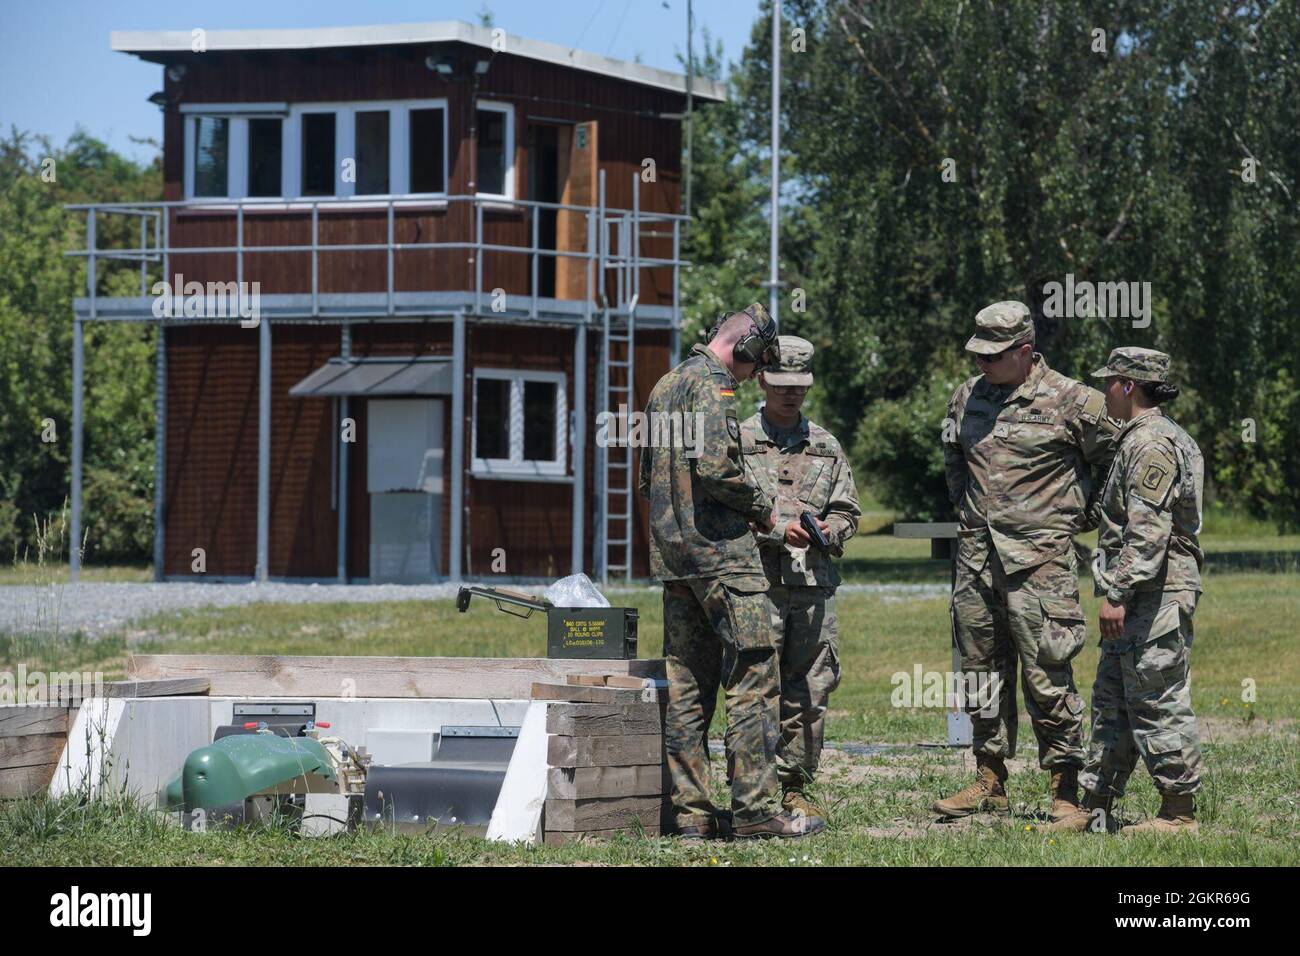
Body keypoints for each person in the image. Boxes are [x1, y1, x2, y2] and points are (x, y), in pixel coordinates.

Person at [638, 303, 823, 840]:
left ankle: (692, 813)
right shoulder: (714, 387)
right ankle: (757, 810)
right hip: (724, 558)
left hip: (675, 560)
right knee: (754, 674)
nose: (752, 377)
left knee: (689, 683)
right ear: (744, 350)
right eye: (755, 363)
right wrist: (767, 509)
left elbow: (650, 481)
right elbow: (717, 467)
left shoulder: (664, 386)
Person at [934, 300, 1118, 822]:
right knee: (979, 673)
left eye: (994, 355)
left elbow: (1113, 464)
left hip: (1040, 564)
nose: (983, 365)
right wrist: (969, 512)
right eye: (978, 354)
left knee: (1048, 673)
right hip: (975, 560)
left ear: (1026, 351)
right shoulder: (966, 397)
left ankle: (1064, 788)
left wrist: (1078, 516)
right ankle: (989, 778)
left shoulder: (1074, 400)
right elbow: (953, 458)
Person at [1048, 347, 1205, 833]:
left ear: (1129, 386)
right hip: (1140, 594)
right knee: (1113, 697)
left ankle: (1179, 812)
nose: (1104, 391)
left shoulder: (1153, 443)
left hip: (1153, 594)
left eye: (1110, 382)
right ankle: (1097, 805)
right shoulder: (1139, 438)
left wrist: (1117, 593)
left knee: (1155, 696)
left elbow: (1148, 531)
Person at [739, 336, 861, 829]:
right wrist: (772, 528)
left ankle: (798, 788)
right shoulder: (738, 438)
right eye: (783, 384)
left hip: (811, 588)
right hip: (756, 584)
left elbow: (848, 509)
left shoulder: (826, 446)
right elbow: (722, 509)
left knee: (811, 687)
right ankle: (754, 790)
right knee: (755, 687)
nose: (792, 394)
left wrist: (832, 529)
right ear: (763, 378)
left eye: (801, 386)